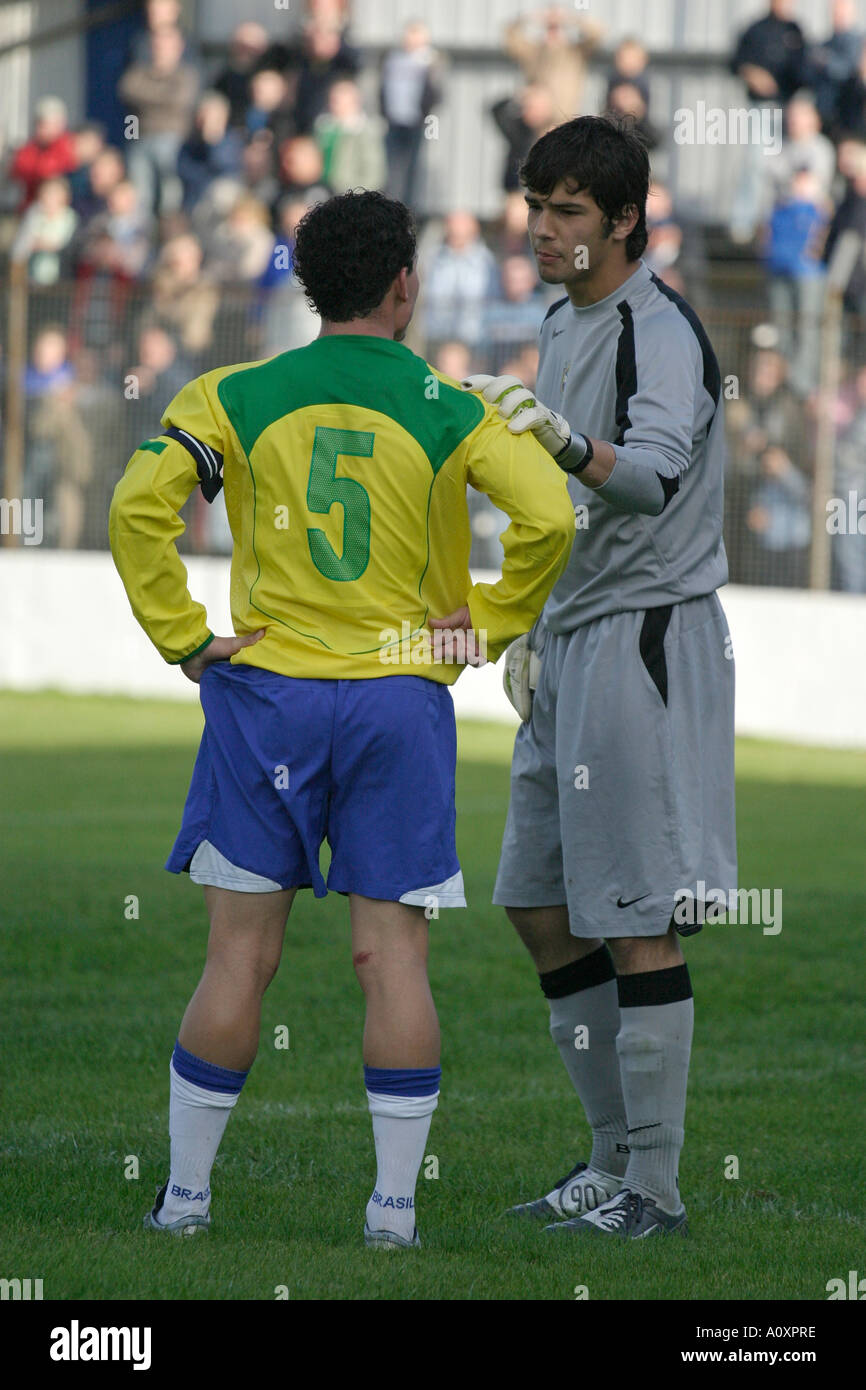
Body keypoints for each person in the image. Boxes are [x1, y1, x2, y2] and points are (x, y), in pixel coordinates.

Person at [108, 189, 575, 1249]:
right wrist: (483, 627)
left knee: (238, 958)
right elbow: (549, 513)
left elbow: (135, 507)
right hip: (399, 695)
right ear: (404, 286)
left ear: (307, 283)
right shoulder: (450, 402)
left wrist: (182, 635)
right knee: (391, 959)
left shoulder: (235, 391)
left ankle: (184, 1201)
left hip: (266, 695)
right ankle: (392, 1214)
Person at [462, 115, 736, 1238]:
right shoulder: (557, 315)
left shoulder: (656, 329)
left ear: (623, 218)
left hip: (642, 639)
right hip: (569, 638)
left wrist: (567, 446)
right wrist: (527, 620)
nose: (542, 229)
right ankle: (607, 1160)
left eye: (567, 211)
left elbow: (655, 478)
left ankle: (654, 1190)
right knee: (535, 902)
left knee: (635, 916)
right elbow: (565, 494)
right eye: (535, 207)